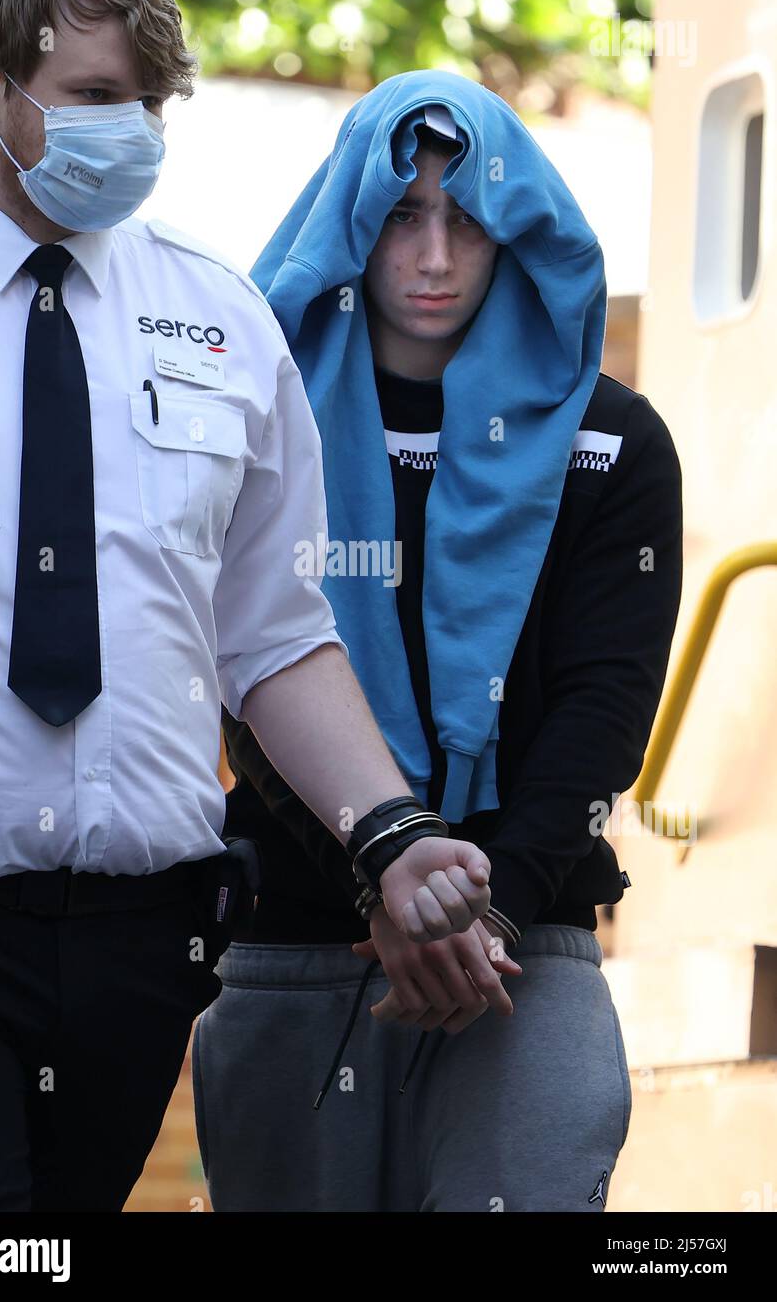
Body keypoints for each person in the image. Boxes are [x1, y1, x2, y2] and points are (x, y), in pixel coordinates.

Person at [0, 0, 493, 1214]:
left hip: (144, 941)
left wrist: (390, 833)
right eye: (91, 96)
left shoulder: (225, 323)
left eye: (150, 104)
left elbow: (276, 634)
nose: (129, 132)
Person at [192, 71, 684, 1212]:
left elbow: (603, 719)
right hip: (302, 932)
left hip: (527, 941)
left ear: (515, 228)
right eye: (402, 215)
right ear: (351, 222)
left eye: (466, 219)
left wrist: (486, 910)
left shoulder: (611, 438)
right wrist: (383, 886)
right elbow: (245, 679)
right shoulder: (257, 425)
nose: (432, 255)